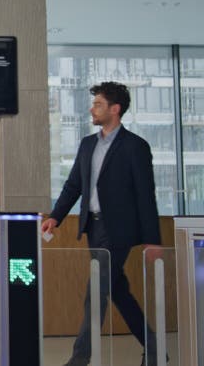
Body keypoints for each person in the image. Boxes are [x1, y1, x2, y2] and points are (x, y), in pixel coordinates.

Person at [41, 81, 164, 366]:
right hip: (93, 229)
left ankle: (80, 358)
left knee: (95, 292)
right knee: (118, 292)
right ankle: (155, 350)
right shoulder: (88, 144)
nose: (92, 108)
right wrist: (55, 217)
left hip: (118, 231)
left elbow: (146, 195)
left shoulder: (135, 147)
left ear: (115, 109)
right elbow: (74, 185)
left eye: (98, 104)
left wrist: (153, 239)